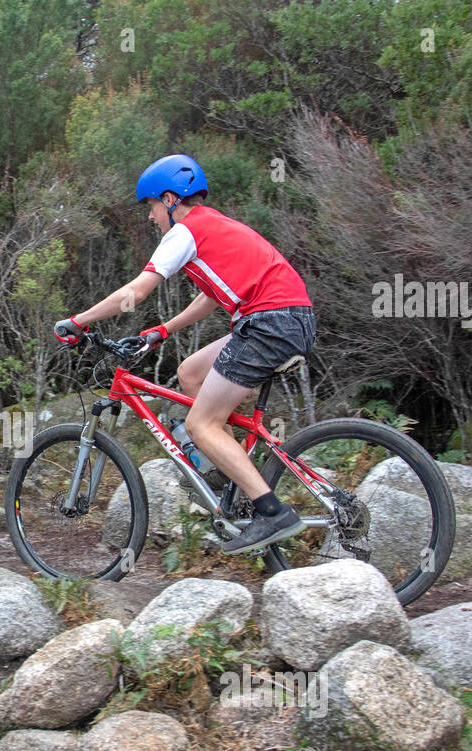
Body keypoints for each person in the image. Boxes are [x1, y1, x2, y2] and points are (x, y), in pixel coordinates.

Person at [52, 153, 317, 554]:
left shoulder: (184, 233)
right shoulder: (211, 227)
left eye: (152, 206)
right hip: (282, 318)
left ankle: (271, 512)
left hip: (269, 323)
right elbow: (211, 296)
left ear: (172, 199)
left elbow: (136, 292)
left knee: (200, 425)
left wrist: (79, 321)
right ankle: (235, 483)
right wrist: (163, 330)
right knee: (191, 372)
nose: (150, 216)